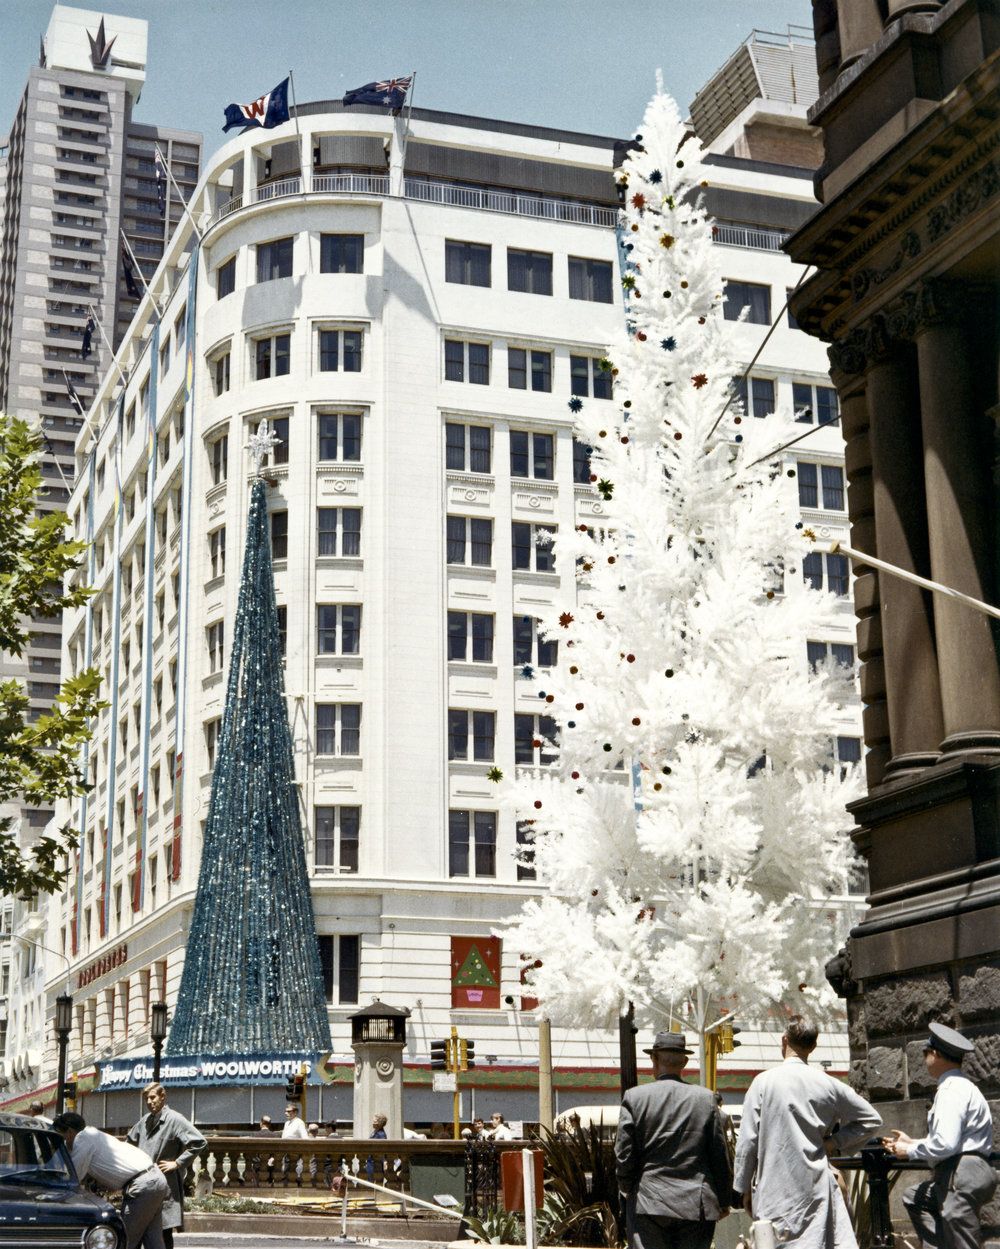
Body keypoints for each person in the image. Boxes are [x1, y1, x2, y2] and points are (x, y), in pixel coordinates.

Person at [733, 1015, 882, 1249]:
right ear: (813, 1047)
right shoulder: (829, 1084)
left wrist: (742, 1188)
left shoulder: (762, 1083)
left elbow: (748, 1141)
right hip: (815, 1186)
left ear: (784, 1040)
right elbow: (871, 1119)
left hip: (774, 1187)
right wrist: (834, 1143)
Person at [884, 1021, 997, 1249]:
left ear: (934, 1054)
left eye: (925, 1053)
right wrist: (913, 1142)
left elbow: (946, 1144)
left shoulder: (949, 1090)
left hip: (959, 1172)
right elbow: (955, 1139)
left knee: (964, 1242)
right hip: (970, 1169)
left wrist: (909, 1150)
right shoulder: (965, 1086)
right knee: (914, 1197)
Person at [615, 1031, 733, 1249]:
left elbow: (624, 1153)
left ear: (654, 1059)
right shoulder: (706, 1099)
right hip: (695, 1204)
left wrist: (627, 1188)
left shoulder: (635, 1098)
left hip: (648, 1201)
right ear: (685, 1062)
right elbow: (719, 1155)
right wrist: (724, 1200)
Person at [51, 1111, 169, 1249]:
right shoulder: (93, 1134)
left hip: (143, 1185)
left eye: (62, 1135)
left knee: (122, 1241)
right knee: (153, 1240)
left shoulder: (82, 1138)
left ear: (70, 1131)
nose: (63, 1142)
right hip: (155, 1179)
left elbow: (72, 1177)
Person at [127, 1082, 206, 1249]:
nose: (149, 1102)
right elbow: (128, 1144)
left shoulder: (175, 1119)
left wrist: (177, 1163)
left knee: (163, 1233)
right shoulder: (144, 1121)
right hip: (143, 1185)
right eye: (146, 1099)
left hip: (165, 1184)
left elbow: (199, 1142)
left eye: (153, 1097)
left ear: (162, 1097)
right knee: (138, 1230)